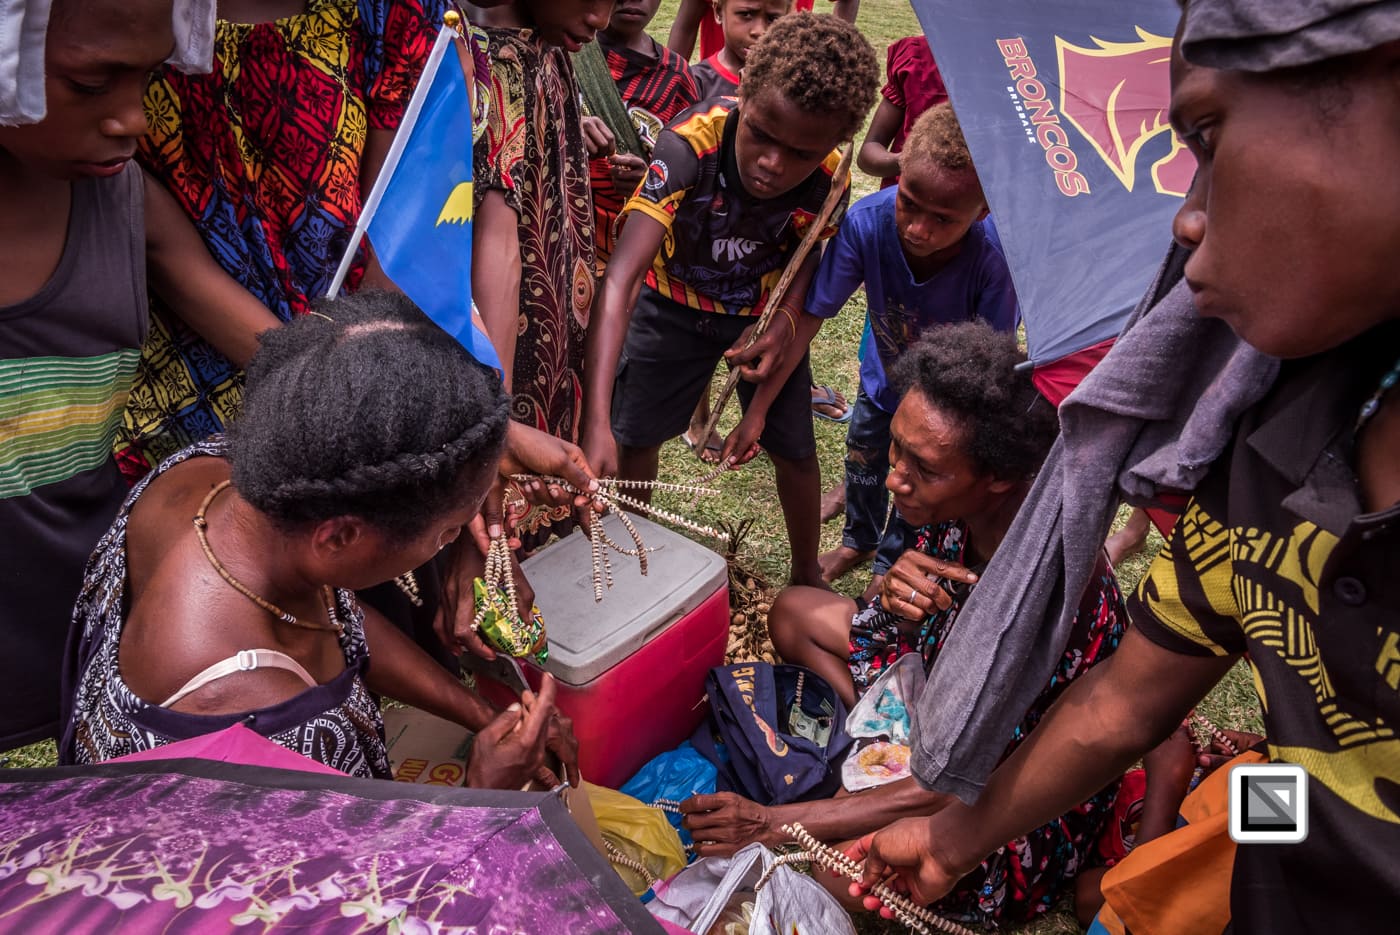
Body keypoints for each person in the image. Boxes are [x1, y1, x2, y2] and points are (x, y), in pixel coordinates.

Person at [854, 5, 1400, 930]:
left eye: (1212, 138)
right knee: (1186, 870)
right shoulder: (1253, 446)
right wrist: (950, 842)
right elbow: (1124, 704)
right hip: (1301, 843)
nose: (1186, 218)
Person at [680, 324, 1127, 927]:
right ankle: (875, 759)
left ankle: (873, 778)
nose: (895, 477)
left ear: (997, 475)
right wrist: (889, 596)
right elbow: (895, 643)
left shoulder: (1043, 594)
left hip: (998, 796)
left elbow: (959, 782)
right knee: (794, 612)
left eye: (922, 466)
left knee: (839, 873)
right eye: (895, 448)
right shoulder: (954, 507)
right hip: (930, 707)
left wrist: (769, 823)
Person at [62, 292, 580, 790]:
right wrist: (485, 791)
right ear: (340, 537)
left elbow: (331, 622)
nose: (449, 545)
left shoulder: (216, 480)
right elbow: (360, 876)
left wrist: (484, 713)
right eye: (449, 532)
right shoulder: (267, 731)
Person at [0, 0, 290, 752]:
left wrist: (466, 426)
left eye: (149, 78)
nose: (136, 117)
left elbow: (285, 356)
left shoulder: (124, 202)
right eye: (93, 84)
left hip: (86, 647)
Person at [114, 0, 465, 482]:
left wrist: (359, 384)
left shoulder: (395, 12)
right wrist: (325, 384)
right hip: (197, 391)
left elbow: (402, 216)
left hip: (372, 356)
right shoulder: (123, 22)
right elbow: (166, 250)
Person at [586, 13, 880, 588]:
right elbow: (621, 279)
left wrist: (785, 327)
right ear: (741, 96)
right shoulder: (687, 144)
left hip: (757, 319)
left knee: (795, 448)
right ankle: (634, 550)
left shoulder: (829, 179)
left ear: (834, 143)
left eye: (799, 152)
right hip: (670, 304)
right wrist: (595, 418)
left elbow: (807, 259)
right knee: (635, 435)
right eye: (762, 135)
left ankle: (805, 573)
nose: (773, 163)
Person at [812, 105, 1019, 587]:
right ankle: (858, 539)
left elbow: (992, 361)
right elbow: (813, 310)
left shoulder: (994, 263)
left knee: (916, 486)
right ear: (899, 176)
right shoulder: (868, 222)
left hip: (938, 413)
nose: (918, 229)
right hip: (882, 384)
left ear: (982, 211)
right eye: (909, 203)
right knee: (864, 462)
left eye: (944, 218)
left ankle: (891, 563)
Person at [472, 0, 611, 550]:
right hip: (508, 355)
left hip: (554, 341)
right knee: (499, 528)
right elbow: (499, 253)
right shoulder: (496, 64)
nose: (601, 18)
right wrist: (492, 420)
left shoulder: (550, 46)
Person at [582, 0, 699, 268]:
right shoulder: (565, 51)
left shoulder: (677, 79)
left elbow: (693, 183)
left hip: (633, 259)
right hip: (557, 243)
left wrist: (650, 182)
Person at [856, 35, 947, 189]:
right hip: (906, 200)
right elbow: (869, 153)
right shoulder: (920, 54)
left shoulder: (1001, 67)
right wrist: (909, 160)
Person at [668, 0, 858, 64]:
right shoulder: (702, 83)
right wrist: (670, 78)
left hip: (785, 80)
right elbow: (686, 25)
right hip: (716, 86)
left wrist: (832, 56)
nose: (759, 31)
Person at [687, 0, 789, 102]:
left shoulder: (793, 82)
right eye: (746, 14)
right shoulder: (694, 83)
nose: (759, 31)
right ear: (718, 12)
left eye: (773, 19)